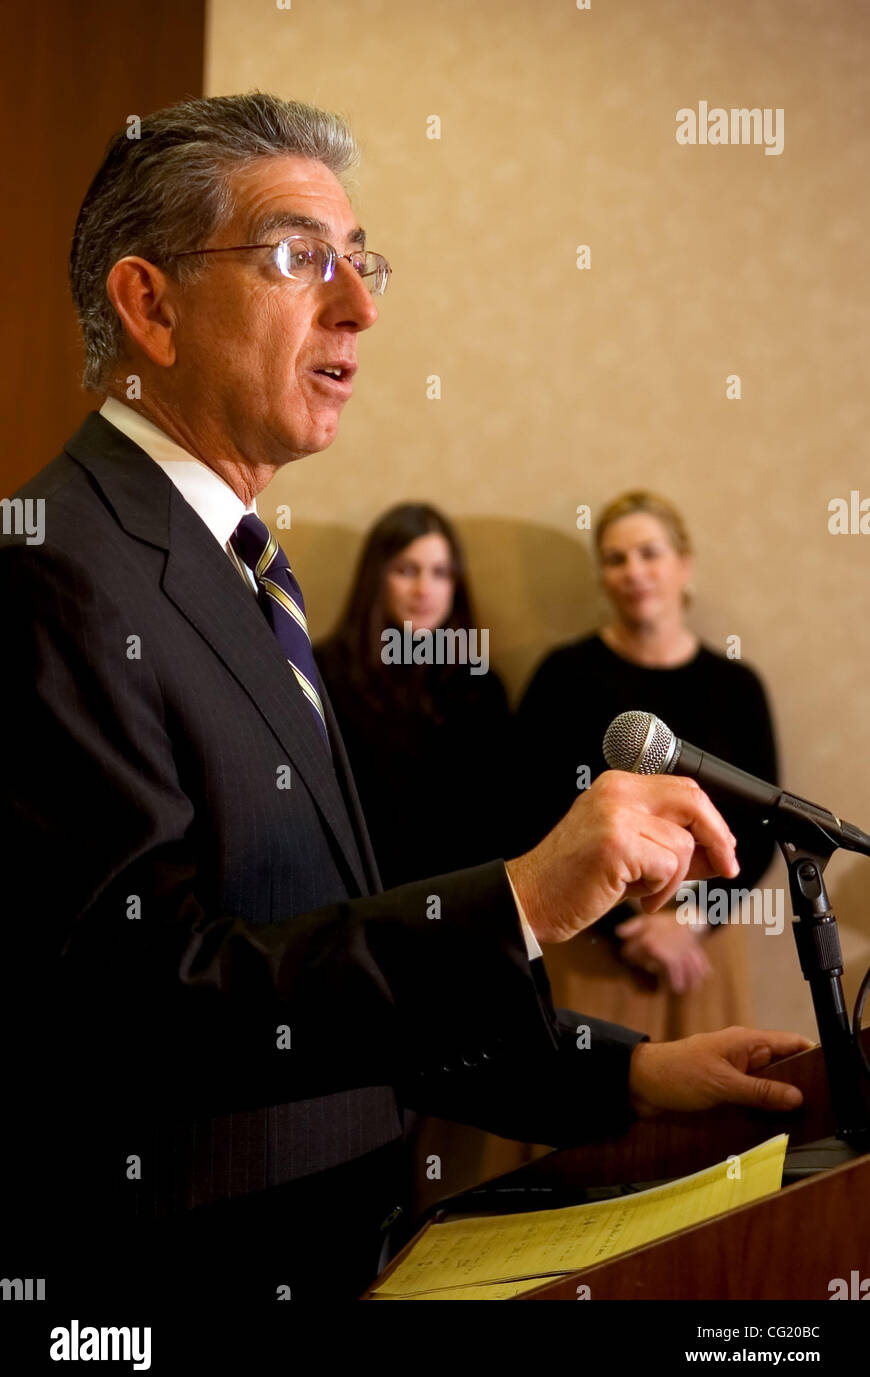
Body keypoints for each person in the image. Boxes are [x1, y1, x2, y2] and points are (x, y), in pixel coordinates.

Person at [0, 94, 810, 1307]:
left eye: (361, 261)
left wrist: (626, 1075)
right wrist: (527, 896)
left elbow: (324, 962)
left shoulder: (238, 569)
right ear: (149, 305)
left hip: (341, 1239)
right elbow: (144, 1005)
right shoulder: (55, 564)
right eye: (298, 258)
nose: (362, 307)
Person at [516, 490, 779, 1040]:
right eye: (615, 559)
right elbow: (529, 815)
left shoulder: (736, 687)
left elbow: (762, 828)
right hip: (589, 938)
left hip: (700, 950)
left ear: (684, 565)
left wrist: (689, 922)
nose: (633, 571)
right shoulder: (564, 677)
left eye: (649, 553)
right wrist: (630, 926)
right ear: (603, 576)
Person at [315, 502, 511, 889]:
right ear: (377, 577)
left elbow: (501, 822)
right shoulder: (324, 673)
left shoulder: (481, 686)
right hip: (356, 898)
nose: (425, 590)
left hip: (462, 901)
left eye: (440, 573)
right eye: (407, 571)